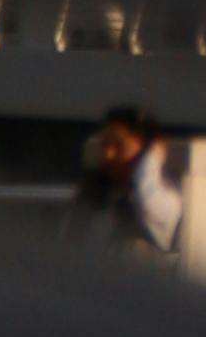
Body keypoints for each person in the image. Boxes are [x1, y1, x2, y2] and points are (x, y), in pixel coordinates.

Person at [76, 105, 184, 263]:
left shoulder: (168, 201)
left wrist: (152, 157)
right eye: (104, 144)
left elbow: (146, 197)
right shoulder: (100, 197)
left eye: (118, 145)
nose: (109, 154)